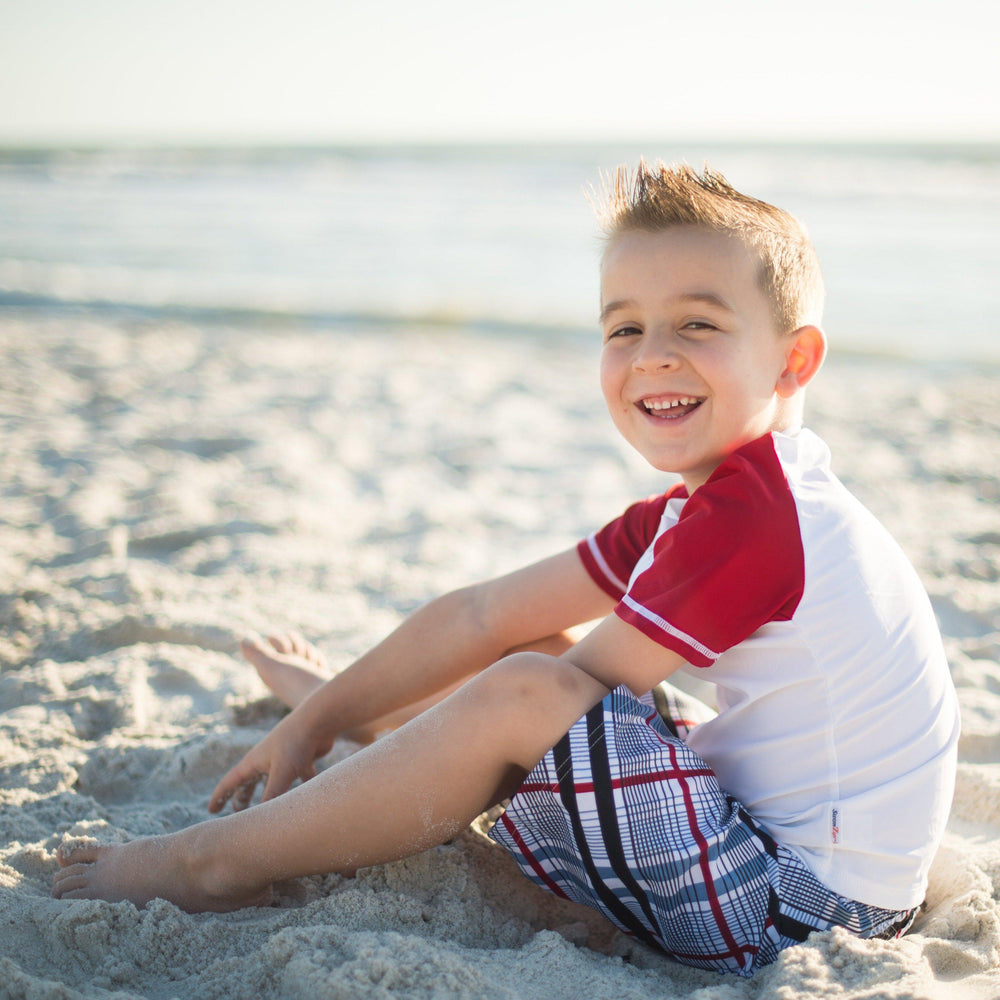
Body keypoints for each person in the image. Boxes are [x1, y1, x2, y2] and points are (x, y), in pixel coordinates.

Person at [52, 162, 960, 977]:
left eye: (697, 322)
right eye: (624, 327)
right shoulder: (729, 499)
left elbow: (543, 697)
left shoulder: (755, 515)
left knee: (528, 688)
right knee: (529, 659)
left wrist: (356, 722)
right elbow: (484, 613)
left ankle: (215, 861)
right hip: (775, 853)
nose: (653, 355)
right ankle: (353, 720)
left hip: (799, 915)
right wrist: (324, 714)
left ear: (794, 359)